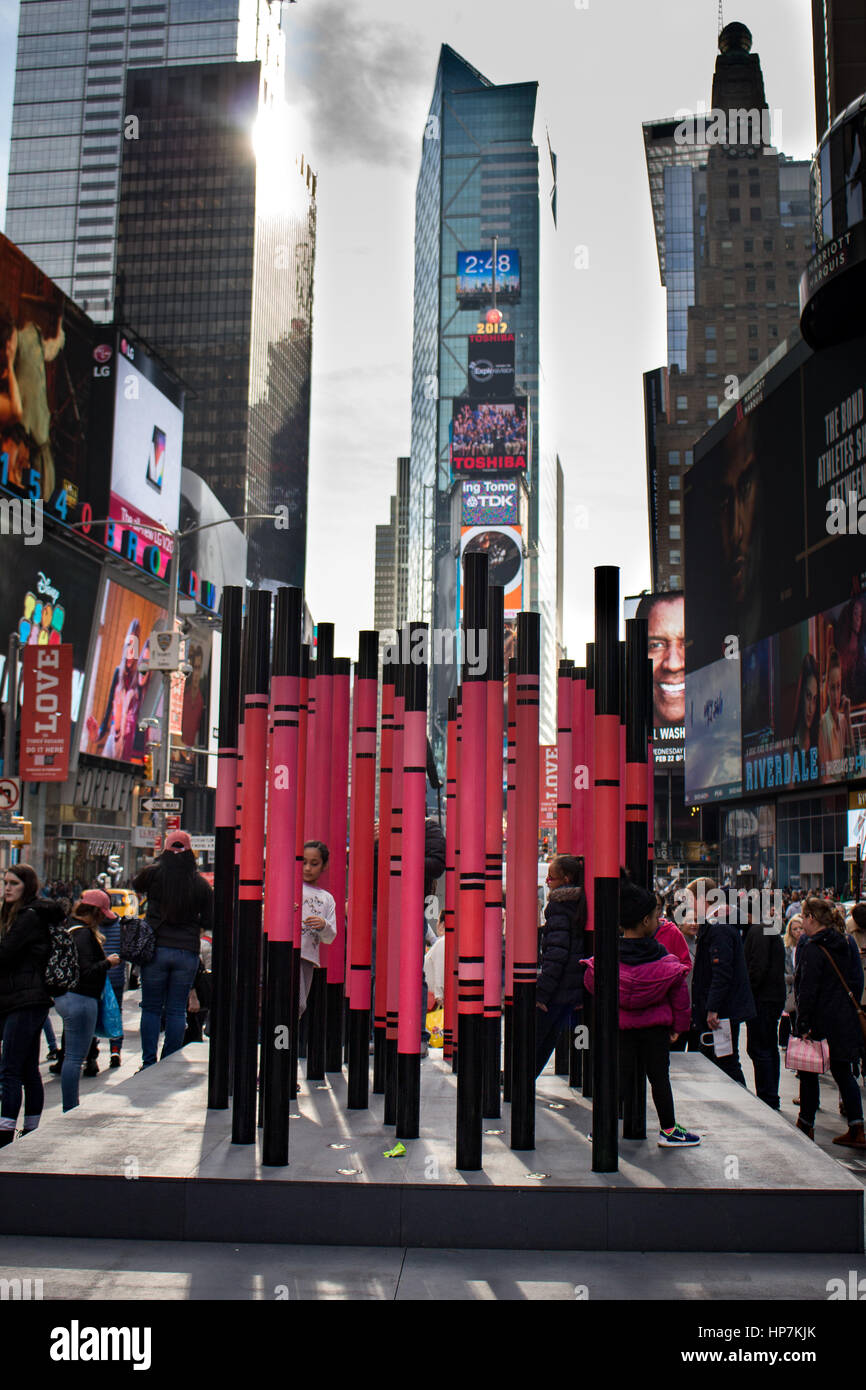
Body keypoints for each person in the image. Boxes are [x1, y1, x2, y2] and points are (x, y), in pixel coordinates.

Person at [583, 872, 699, 1146]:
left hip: (621, 1028)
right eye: (656, 914)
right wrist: (679, 1028)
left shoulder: (610, 956)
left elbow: (590, 981)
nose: (659, 919)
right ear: (646, 920)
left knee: (617, 1080)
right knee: (660, 1079)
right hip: (655, 1029)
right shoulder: (661, 956)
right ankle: (669, 1130)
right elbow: (680, 995)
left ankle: (602, 1128)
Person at [132, 831, 213, 1068]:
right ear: (191, 853)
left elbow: (137, 884)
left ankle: (148, 1062)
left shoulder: (154, 875)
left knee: (151, 1008)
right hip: (186, 952)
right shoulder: (199, 884)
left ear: (165, 850)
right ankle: (168, 1061)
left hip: (155, 950)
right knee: (178, 1009)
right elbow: (209, 920)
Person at [794, 896, 865, 1147]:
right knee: (843, 1072)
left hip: (819, 1022)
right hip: (845, 1020)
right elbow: (857, 982)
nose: (803, 922)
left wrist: (802, 1024)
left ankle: (806, 1124)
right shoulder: (847, 942)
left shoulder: (813, 948)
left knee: (810, 1072)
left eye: (804, 917)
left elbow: (807, 990)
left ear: (812, 918)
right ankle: (857, 1127)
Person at [0, 864, 62, 1146]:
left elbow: (5, 954)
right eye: (5, 883)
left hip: (24, 999)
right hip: (28, 999)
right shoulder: (23, 915)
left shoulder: (28, 917)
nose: (7, 888)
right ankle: (32, 1130)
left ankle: (5, 1133)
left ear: (27, 886)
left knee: (10, 1069)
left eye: (13, 883)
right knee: (26, 1068)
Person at [55, 892, 119, 1112]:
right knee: (74, 1058)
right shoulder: (83, 935)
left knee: (72, 1057)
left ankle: (70, 1104)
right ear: (94, 913)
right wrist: (108, 963)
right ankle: (70, 1107)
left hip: (65, 996)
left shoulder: (69, 927)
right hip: (81, 998)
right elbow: (87, 970)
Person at [689, 877, 756, 1086]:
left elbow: (721, 972)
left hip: (721, 1014)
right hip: (722, 1012)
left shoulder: (719, 927)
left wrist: (712, 1008)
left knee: (726, 1061)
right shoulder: (718, 925)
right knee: (721, 1059)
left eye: (690, 899)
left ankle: (744, 1103)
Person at [534, 855, 587, 1077]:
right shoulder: (578, 904)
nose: (547, 881)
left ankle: (521, 1078)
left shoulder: (559, 907)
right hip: (572, 984)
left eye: (551, 877)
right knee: (550, 1035)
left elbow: (556, 954)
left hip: (557, 985)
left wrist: (542, 993)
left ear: (565, 879)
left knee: (538, 1036)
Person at [743, 902, 786, 1109]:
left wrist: (747, 992)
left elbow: (757, 968)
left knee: (760, 1049)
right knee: (768, 1048)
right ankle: (770, 1096)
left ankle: (767, 1097)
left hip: (763, 999)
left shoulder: (759, 930)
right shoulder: (768, 929)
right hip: (771, 998)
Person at [298, 841, 337, 1016]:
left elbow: (330, 937)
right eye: (304, 862)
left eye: (314, 864)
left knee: (301, 1004)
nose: (307, 868)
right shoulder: (290, 887)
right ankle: (284, 1040)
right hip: (286, 952)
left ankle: (287, 1039)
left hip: (308, 956)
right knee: (296, 1002)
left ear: (324, 865)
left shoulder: (326, 898)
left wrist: (323, 925)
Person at [818, 648, 852, 778]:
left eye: (838, 686)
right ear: (826, 689)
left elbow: (853, 764)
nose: (836, 695)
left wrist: (848, 718)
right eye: (832, 688)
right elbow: (825, 775)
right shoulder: (822, 724)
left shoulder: (843, 720)